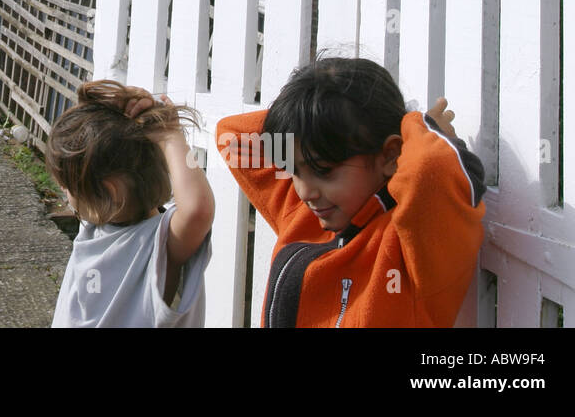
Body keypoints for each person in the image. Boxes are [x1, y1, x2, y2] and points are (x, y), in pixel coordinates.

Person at [217, 56, 486, 327]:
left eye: (324, 170)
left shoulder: (411, 241)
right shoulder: (303, 216)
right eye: (294, 171)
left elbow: (431, 166)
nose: (304, 191)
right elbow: (230, 137)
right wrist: (306, 113)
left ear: (391, 154)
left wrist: (420, 126)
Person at [48, 80, 215, 327]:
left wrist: (170, 134)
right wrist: (113, 109)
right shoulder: (96, 226)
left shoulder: (158, 245)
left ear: (108, 193)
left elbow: (197, 210)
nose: (63, 190)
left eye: (69, 185)